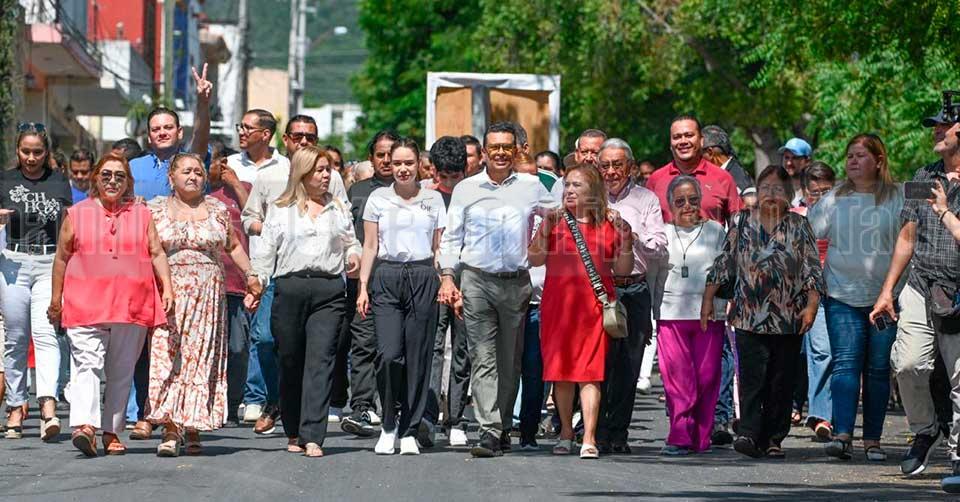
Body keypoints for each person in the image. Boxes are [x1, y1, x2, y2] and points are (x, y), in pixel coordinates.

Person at [438, 121, 558, 458]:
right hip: (476, 280)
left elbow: (558, 215)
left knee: (510, 361)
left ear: (517, 149)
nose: (501, 153)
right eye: (495, 147)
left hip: (517, 283)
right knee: (483, 357)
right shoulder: (466, 188)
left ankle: (503, 425)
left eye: (507, 146)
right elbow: (451, 237)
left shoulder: (533, 186)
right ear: (485, 151)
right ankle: (489, 430)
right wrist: (448, 276)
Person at [47, 154, 173, 456]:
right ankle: (85, 426)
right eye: (106, 175)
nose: (112, 181)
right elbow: (61, 258)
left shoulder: (142, 214)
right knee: (86, 364)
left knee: (121, 370)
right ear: (95, 179)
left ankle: (111, 431)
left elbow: (156, 252)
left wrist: (166, 286)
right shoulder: (77, 213)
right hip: (84, 303)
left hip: (132, 303)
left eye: (119, 176)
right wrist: (55, 299)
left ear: (128, 181)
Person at [702, 165, 824, 459]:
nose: (771, 195)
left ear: (788, 194)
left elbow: (811, 267)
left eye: (777, 189)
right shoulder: (742, 222)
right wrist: (708, 300)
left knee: (781, 380)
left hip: (788, 315)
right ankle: (748, 432)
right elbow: (724, 263)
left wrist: (811, 305)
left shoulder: (798, 225)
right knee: (752, 378)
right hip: (747, 313)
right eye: (765, 188)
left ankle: (773, 438)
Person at [146, 153, 261, 457]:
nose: (194, 176)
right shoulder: (154, 210)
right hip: (168, 293)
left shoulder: (218, 210)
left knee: (199, 359)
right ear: (171, 177)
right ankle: (171, 428)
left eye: (198, 171)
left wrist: (250, 275)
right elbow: (144, 251)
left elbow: (234, 245)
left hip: (207, 294)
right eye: (186, 171)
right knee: (167, 358)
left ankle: (193, 423)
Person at [251, 146, 361, 458]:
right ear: (303, 173)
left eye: (328, 169)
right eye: (320, 170)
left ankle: (314, 434)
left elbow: (351, 242)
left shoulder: (337, 207)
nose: (327, 175)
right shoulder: (281, 208)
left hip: (328, 290)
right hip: (290, 287)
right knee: (290, 359)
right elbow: (265, 251)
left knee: (321, 359)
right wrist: (256, 280)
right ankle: (294, 428)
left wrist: (352, 256)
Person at [240, 114, 348, 432]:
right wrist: (271, 227)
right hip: (276, 272)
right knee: (269, 341)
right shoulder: (270, 175)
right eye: (298, 136)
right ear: (286, 139)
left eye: (310, 137)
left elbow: (344, 223)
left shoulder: (332, 177)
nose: (304, 141)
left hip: (322, 277)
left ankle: (299, 412)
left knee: (316, 350)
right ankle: (279, 398)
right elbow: (250, 216)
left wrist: (349, 254)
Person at [871, 100, 960, 482]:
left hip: (958, 294)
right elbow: (907, 237)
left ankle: (958, 453)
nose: (936, 132)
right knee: (907, 364)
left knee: (959, 378)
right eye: (935, 126)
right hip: (921, 285)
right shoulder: (924, 175)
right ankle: (925, 430)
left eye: (944, 126)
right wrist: (887, 289)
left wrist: (943, 210)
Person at [128, 65, 212, 440]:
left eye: (168, 128)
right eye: (156, 129)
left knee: (174, 342)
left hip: (181, 272)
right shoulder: (131, 168)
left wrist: (203, 100)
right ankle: (145, 411)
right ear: (148, 136)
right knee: (142, 343)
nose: (162, 133)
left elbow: (203, 132)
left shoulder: (189, 163)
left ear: (178, 133)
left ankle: (174, 413)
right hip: (137, 265)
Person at [805, 135, 902, 462]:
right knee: (845, 364)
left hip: (885, 298)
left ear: (878, 160)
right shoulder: (834, 198)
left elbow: (912, 240)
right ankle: (843, 434)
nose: (853, 161)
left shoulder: (897, 197)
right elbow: (808, 233)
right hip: (841, 295)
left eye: (861, 155)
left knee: (876, 370)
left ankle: (872, 441)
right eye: (849, 156)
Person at [530, 166, 633, 459]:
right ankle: (565, 432)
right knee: (561, 374)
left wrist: (626, 240)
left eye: (577, 185)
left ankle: (588, 437)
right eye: (567, 186)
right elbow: (534, 259)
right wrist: (545, 230)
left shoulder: (610, 225)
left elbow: (623, 271)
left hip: (593, 307)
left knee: (590, 374)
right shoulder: (554, 221)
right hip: (558, 307)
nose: (570, 190)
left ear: (594, 191)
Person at [355, 138, 445, 455]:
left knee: (419, 356)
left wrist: (446, 280)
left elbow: (439, 248)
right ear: (389, 165)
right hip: (387, 276)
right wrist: (363, 286)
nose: (403, 169)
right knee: (389, 354)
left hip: (422, 276)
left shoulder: (433, 199)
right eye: (397, 163)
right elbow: (370, 245)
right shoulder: (378, 198)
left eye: (409, 163)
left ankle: (409, 428)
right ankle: (388, 423)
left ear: (419, 165)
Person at [1, 122, 73, 440]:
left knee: (46, 333)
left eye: (37, 152)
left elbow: (69, 223)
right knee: (15, 336)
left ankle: (47, 405)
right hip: (13, 261)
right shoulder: (5, 179)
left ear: (46, 152)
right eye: (25, 151)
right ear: (17, 151)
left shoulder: (58, 181)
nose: (31, 158)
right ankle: (16, 406)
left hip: (49, 262)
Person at [597, 138, 667, 454]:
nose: (611, 171)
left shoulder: (646, 199)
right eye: (605, 165)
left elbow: (659, 246)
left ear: (630, 167)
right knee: (598, 364)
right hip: (598, 289)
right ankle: (595, 431)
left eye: (617, 165)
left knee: (628, 365)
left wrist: (630, 233)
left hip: (634, 288)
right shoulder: (590, 199)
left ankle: (618, 433)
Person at [654, 176, 727, 455]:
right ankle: (680, 434)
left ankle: (701, 436)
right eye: (680, 201)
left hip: (709, 314)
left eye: (693, 200)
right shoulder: (662, 232)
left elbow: (723, 270)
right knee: (677, 377)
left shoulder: (715, 231)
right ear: (670, 203)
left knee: (707, 377)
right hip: (671, 313)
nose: (687, 206)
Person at [340, 130, 400, 437]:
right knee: (362, 344)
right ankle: (361, 406)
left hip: (401, 280)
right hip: (363, 281)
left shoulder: (412, 191)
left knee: (394, 348)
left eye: (392, 154)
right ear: (371, 157)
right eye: (380, 155)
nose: (387, 160)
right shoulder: (358, 191)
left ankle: (396, 405)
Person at [422, 136, 470, 446]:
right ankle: (427, 416)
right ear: (434, 171)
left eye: (457, 176)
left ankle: (455, 418)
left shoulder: (472, 195)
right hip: (432, 278)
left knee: (463, 350)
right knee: (433, 348)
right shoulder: (426, 198)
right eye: (445, 176)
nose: (451, 183)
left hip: (468, 279)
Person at [789, 162, 837, 437]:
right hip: (805, 293)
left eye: (827, 191)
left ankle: (822, 416)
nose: (820, 197)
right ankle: (808, 409)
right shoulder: (796, 217)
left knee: (826, 352)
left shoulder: (843, 215)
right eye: (816, 192)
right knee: (809, 353)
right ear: (806, 192)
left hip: (837, 290)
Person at [207, 144, 253, 428]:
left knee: (237, 347)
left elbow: (257, 219)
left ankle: (233, 404)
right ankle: (210, 404)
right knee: (209, 350)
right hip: (207, 284)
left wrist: (236, 185)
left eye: (215, 161)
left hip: (238, 282)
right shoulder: (198, 194)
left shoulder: (244, 187)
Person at [646, 116, 743, 224]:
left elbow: (738, 225)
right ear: (670, 143)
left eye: (689, 135)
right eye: (677, 137)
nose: (683, 141)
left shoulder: (723, 178)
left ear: (701, 141)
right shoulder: (655, 180)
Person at [701, 125, 756, 208]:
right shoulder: (723, 172)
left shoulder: (737, 178)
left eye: (698, 152)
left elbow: (751, 206)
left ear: (710, 152)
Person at [780, 137, 813, 206]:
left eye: (795, 158)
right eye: (786, 157)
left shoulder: (815, 191)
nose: (789, 163)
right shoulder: (777, 190)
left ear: (807, 161)